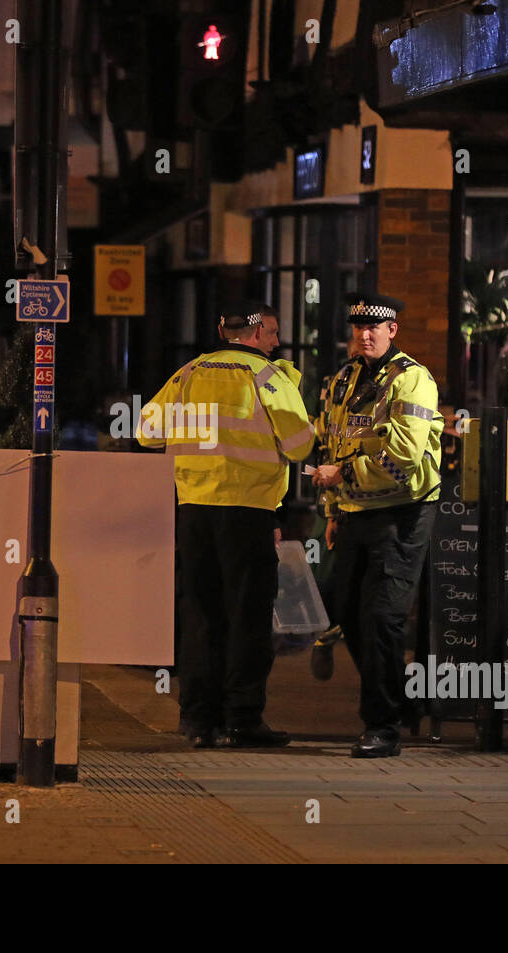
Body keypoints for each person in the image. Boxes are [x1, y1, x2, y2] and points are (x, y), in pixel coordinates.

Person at [138, 303, 315, 748]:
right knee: (247, 617)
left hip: (194, 510)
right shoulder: (267, 377)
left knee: (200, 614)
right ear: (254, 332)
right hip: (247, 509)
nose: (276, 342)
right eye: (272, 333)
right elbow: (298, 445)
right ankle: (242, 719)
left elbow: (146, 430)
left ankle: (198, 720)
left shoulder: (189, 373)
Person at [313, 293, 443, 757]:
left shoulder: (412, 380)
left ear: (393, 331)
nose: (365, 335)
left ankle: (382, 725)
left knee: (383, 617)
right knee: (347, 610)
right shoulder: (344, 379)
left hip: (402, 511)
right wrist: (332, 507)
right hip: (353, 513)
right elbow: (330, 442)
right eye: (358, 328)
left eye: (375, 328)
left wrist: (342, 475)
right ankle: (395, 702)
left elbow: (404, 457)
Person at [309, 327, 364, 681]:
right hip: (336, 496)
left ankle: (330, 634)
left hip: (368, 499)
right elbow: (326, 436)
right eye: (357, 341)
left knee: (353, 584)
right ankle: (323, 634)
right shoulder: (337, 383)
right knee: (323, 575)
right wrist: (330, 507)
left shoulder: (396, 380)